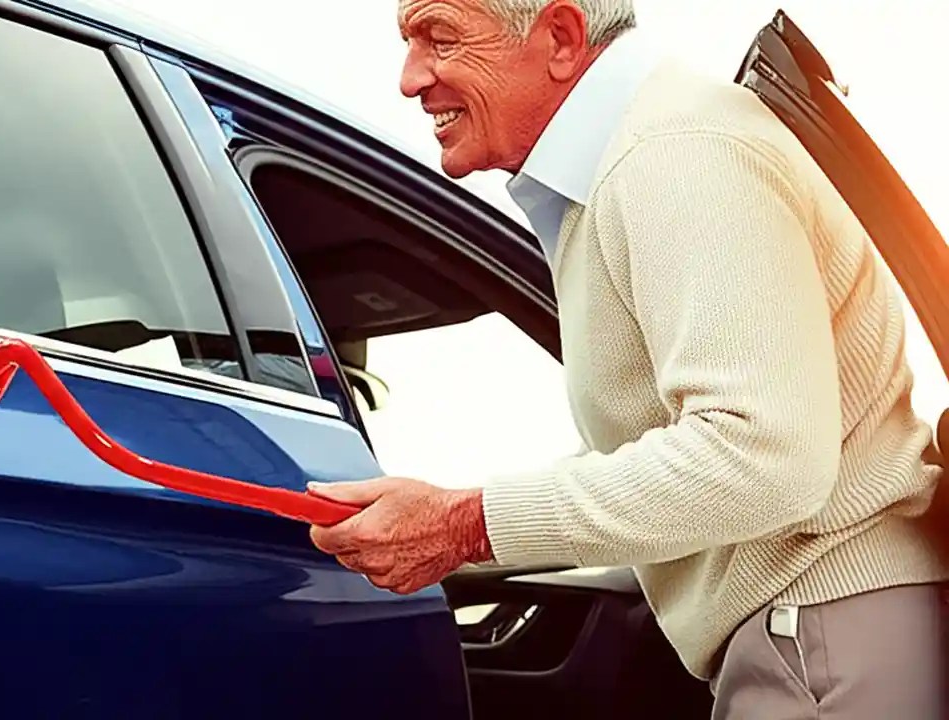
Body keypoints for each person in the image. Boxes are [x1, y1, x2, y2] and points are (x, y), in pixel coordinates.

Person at [305, 0, 949, 716]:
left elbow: (763, 455)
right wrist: (452, 525)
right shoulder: (646, 152)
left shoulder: (675, 152)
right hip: (821, 635)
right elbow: (679, 448)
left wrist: (466, 523)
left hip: (824, 638)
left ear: (559, 36)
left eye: (440, 38)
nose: (410, 78)